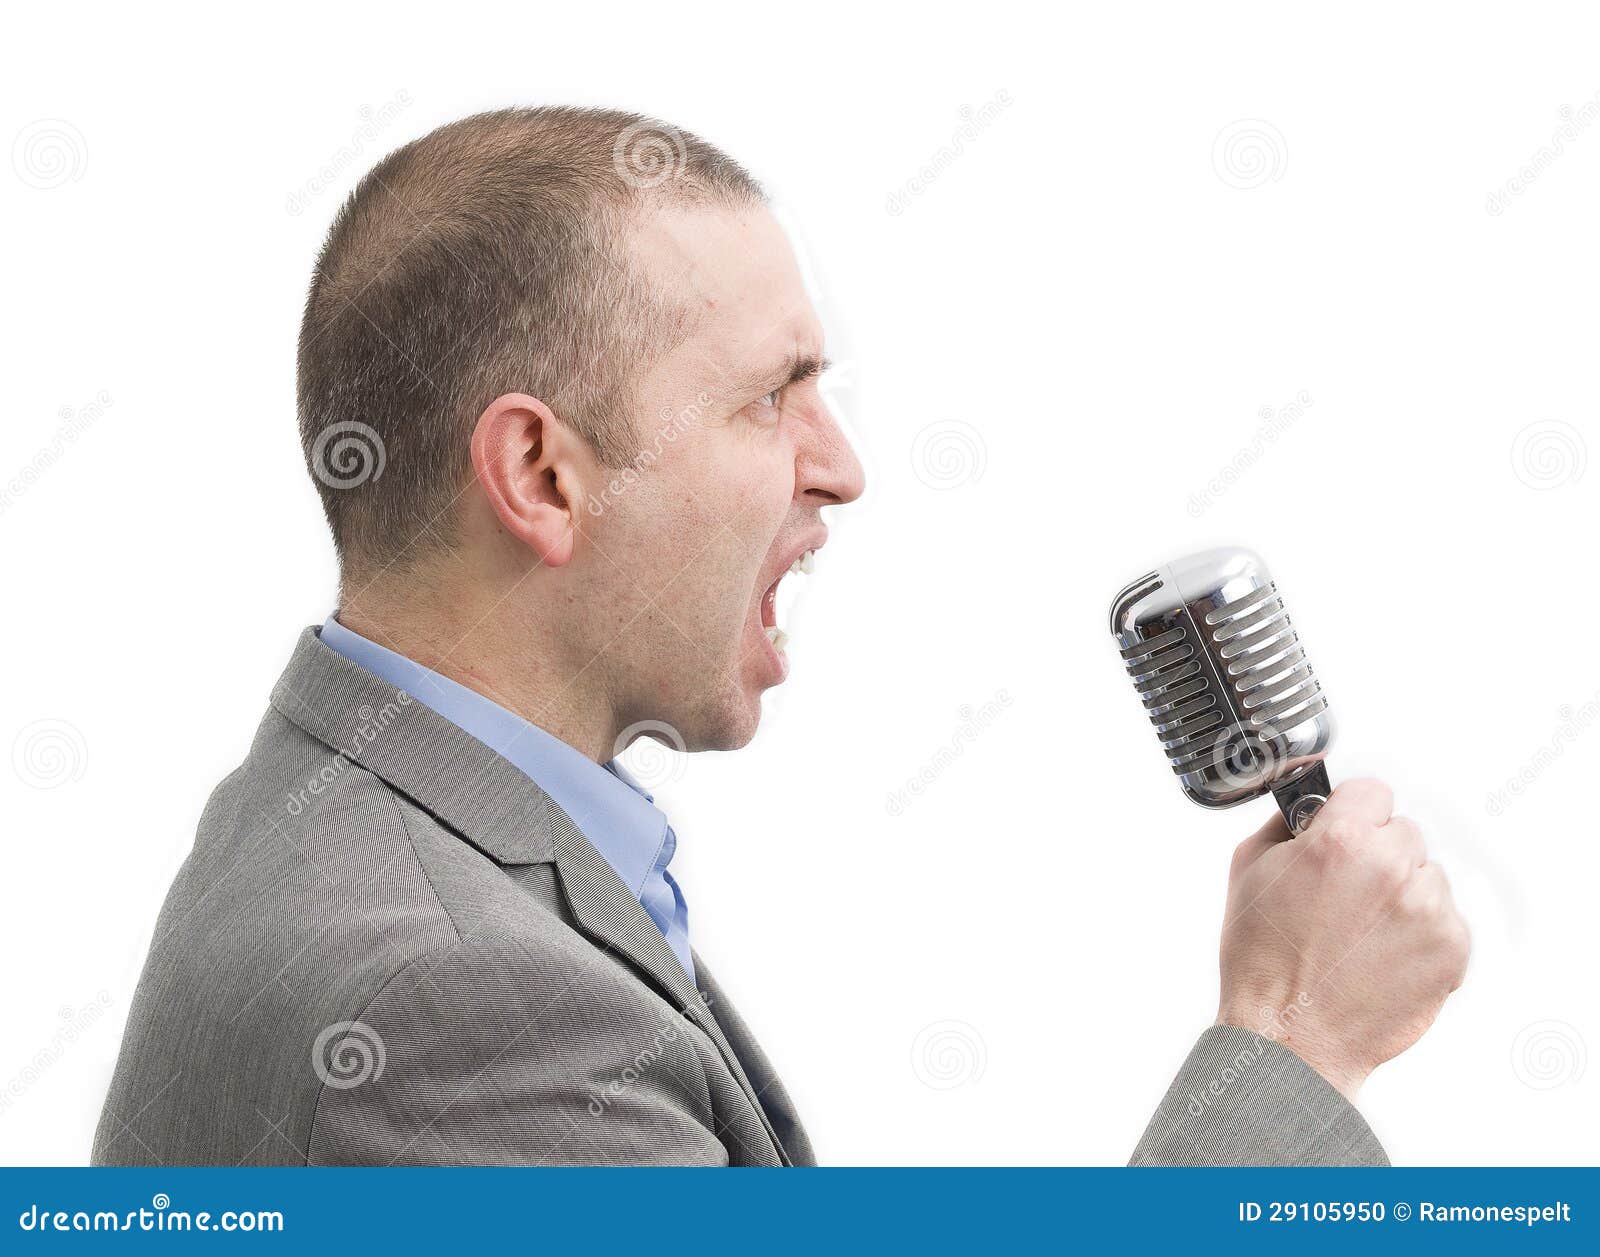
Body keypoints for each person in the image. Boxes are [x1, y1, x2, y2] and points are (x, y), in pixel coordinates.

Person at [92, 107, 1468, 1167]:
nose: (841, 467)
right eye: (772, 396)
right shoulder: (455, 1002)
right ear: (542, 476)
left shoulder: (340, 819)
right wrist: (1294, 1037)